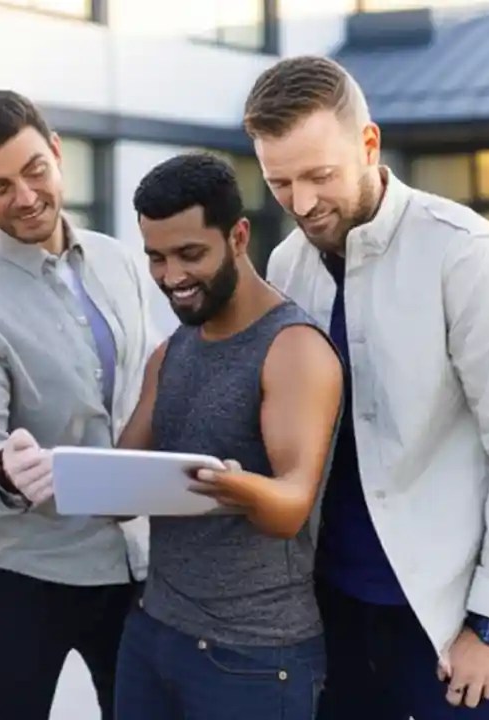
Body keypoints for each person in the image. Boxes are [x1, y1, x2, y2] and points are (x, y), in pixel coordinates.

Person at [245, 55, 489, 719]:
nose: (302, 203)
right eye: (280, 182)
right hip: (331, 614)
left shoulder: (469, 258)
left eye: (319, 175)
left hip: (451, 621)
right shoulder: (286, 262)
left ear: (368, 144)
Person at [0, 89, 162, 720]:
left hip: (133, 568)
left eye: (35, 170)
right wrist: (3, 472)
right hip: (22, 574)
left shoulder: (118, 259)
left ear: (57, 152)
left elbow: (152, 383)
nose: (26, 196)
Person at [112, 152, 343, 719]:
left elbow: (291, 504)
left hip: (254, 656)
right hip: (154, 630)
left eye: (191, 254)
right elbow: (118, 486)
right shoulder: (170, 352)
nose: (172, 276)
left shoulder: (293, 348)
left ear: (238, 236)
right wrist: (52, 471)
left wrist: (237, 487)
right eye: (157, 258)